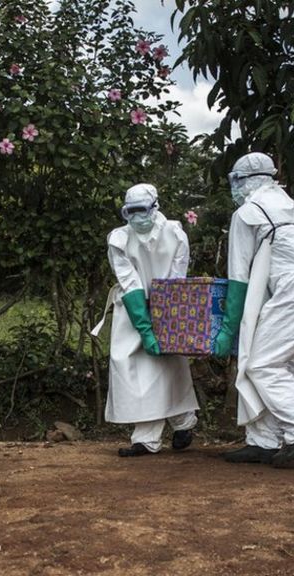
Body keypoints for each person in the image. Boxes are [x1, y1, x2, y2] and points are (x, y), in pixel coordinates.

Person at [212, 152, 294, 467]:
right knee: (285, 367)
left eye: (235, 181)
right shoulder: (291, 208)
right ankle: (263, 441)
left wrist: (228, 328)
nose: (234, 188)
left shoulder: (248, 212)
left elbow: (238, 277)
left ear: (247, 180)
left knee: (262, 366)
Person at [102, 183, 199, 457]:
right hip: (131, 310)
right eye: (130, 212)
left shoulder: (175, 234)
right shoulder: (118, 239)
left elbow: (177, 278)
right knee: (130, 368)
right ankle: (157, 433)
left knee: (168, 368)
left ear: (155, 207)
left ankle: (177, 425)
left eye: (142, 210)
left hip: (167, 305)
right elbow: (129, 282)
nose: (137, 217)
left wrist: (166, 320)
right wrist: (145, 328)